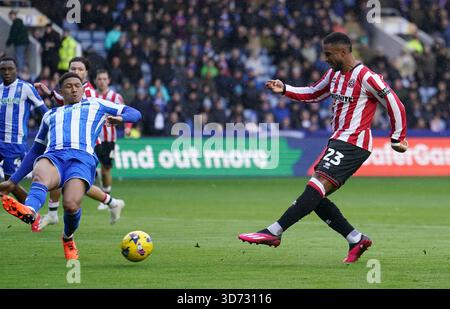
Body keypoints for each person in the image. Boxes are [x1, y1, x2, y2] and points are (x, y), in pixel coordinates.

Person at [238, 32, 408, 263]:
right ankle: (355, 238)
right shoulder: (333, 75)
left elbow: (394, 103)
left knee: (315, 187)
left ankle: (274, 231)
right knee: (315, 195)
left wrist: (397, 137)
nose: (325, 58)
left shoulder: (367, 77)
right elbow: (313, 93)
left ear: (343, 52)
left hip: (353, 142)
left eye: (329, 54)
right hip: (339, 140)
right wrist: (285, 88)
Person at [0, 72, 141, 260]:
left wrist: (121, 119)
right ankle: (30, 211)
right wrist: (13, 181)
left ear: (83, 89)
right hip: (54, 156)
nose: (74, 89)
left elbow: (135, 113)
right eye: (69, 86)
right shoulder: (50, 115)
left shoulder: (95, 104)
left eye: (77, 85)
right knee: (41, 170)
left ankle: (67, 238)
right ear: (60, 91)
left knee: (71, 205)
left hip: (81, 159)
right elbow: (35, 151)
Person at [35, 57, 125, 229]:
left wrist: (53, 95)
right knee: (63, 175)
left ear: (86, 73)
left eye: (79, 69)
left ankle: (110, 201)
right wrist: (52, 94)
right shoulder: (71, 88)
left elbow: (77, 106)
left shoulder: (88, 92)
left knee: (73, 179)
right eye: (72, 69)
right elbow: (67, 104)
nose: (75, 72)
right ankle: (111, 203)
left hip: (87, 144)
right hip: (67, 141)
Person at [0, 57, 48, 232]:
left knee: (10, 182)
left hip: (14, 143)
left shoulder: (25, 88)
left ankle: (32, 214)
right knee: (8, 183)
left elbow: (44, 112)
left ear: (16, 70)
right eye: (3, 69)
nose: (6, 72)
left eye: (9, 69)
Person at [94, 69, 132, 210]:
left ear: (108, 80)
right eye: (99, 79)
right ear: (96, 81)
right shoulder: (92, 96)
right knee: (93, 167)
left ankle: (106, 197)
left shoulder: (115, 97)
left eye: (104, 79)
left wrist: (127, 127)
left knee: (106, 169)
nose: (102, 81)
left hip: (109, 140)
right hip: (94, 138)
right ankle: (104, 196)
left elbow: (126, 112)